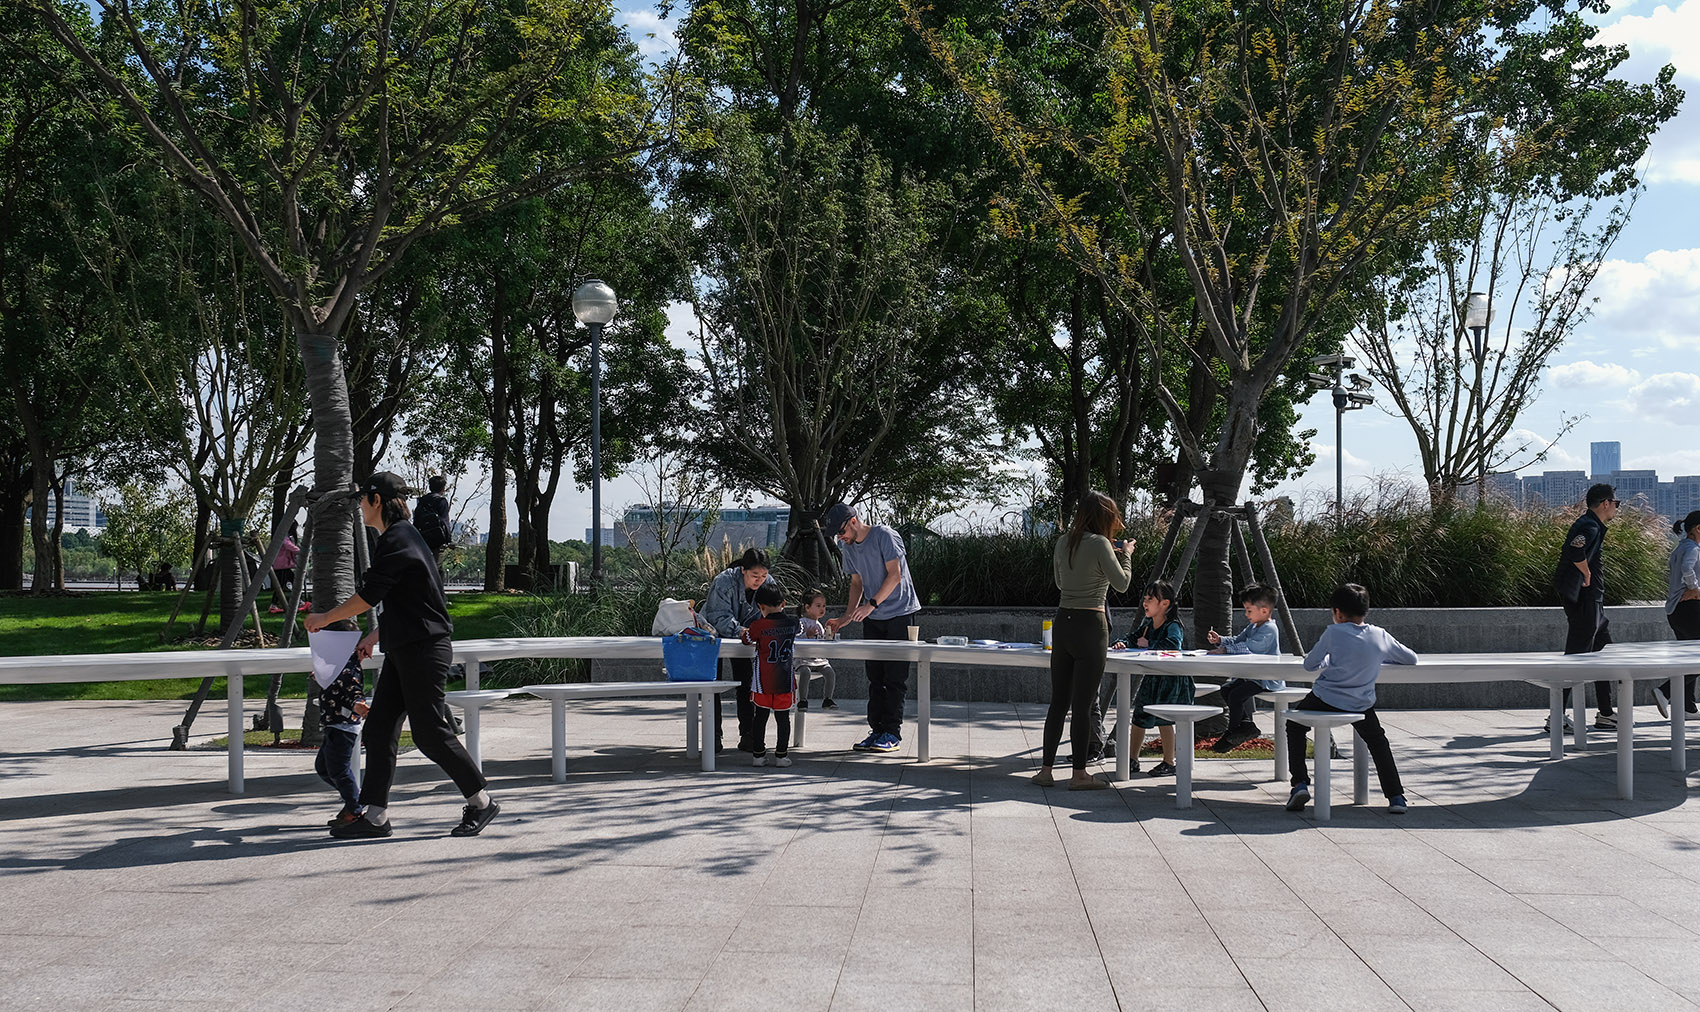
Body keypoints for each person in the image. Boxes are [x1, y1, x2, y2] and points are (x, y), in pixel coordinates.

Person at [305, 471, 498, 839]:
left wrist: (323, 618)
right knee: (378, 730)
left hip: (424, 649)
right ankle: (375, 817)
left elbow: (370, 596)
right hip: (405, 646)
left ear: (376, 501)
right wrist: (377, 635)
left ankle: (482, 802)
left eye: (363, 500)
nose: (360, 507)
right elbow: (407, 598)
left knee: (429, 732)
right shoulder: (401, 538)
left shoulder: (397, 538)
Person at [1285, 583, 1416, 815]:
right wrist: (1376, 659)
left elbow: (1309, 664)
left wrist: (1328, 661)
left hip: (1325, 699)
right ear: (1365, 610)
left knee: (1294, 726)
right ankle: (1396, 797)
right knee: (1378, 743)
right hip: (1361, 703)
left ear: (1337, 612)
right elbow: (1410, 659)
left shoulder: (1333, 633)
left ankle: (1300, 784)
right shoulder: (1379, 635)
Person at [1033, 492, 1134, 790]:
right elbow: (1122, 584)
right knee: (1083, 703)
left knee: (1058, 702)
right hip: (1091, 626)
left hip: (1063, 622)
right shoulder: (1101, 544)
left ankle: (1045, 771)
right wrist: (1125, 554)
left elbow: (1060, 583)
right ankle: (1079, 775)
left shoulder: (1064, 541)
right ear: (1104, 515)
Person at [822, 502, 922, 753]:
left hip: (900, 612)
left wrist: (871, 605)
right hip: (873, 617)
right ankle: (876, 730)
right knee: (875, 677)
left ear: (853, 521)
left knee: (895, 677)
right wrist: (846, 617)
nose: (840, 537)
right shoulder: (848, 548)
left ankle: (892, 733)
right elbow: (856, 583)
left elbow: (894, 575)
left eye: (841, 531)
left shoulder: (884, 536)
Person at [1553, 483, 1620, 731]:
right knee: (1576, 657)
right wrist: (1587, 572)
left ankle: (1605, 713)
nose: (1616, 508)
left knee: (1604, 655)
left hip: (1594, 603)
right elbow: (1575, 548)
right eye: (1616, 503)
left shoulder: (1591, 524)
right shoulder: (1589, 526)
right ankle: (1556, 717)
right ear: (1605, 503)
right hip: (1585, 601)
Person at [703, 547, 780, 752]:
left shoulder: (768, 582)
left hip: (746, 640)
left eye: (764, 575)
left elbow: (774, 612)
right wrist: (744, 632)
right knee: (712, 687)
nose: (760, 580)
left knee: (747, 683)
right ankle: (713, 737)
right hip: (713, 637)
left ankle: (748, 734)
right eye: (755, 575)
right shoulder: (723, 581)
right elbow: (719, 617)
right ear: (743, 569)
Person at [1115, 580, 1190, 777]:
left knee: (1164, 719)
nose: (1145, 603)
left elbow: (1173, 644)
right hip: (1153, 677)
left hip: (1172, 678)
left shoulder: (1173, 625)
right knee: (1140, 716)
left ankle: (1169, 761)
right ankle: (1132, 758)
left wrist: (1149, 644)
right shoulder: (1148, 624)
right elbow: (1132, 637)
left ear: (1165, 604)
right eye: (1145, 599)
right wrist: (1122, 643)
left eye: (1150, 599)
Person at [1206, 584, 1284, 753]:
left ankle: (1233, 730)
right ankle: (1246, 725)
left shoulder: (1270, 629)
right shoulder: (1253, 626)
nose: (1247, 614)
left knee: (1236, 695)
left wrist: (1225, 650)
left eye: (1249, 610)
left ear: (1264, 611)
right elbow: (1237, 640)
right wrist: (1220, 640)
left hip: (1266, 678)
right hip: (1252, 676)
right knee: (1226, 690)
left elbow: (1251, 647)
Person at [744, 583, 800, 767]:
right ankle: (782, 756)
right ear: (783, 603)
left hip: (763, 682)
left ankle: (758, 755)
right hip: (785, 681)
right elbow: (799, 631)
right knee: (783, 719)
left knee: (760, 717)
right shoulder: (793, 623)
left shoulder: (758, 625)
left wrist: (744, 632)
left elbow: (747, 639)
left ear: (760, 606)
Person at [1654, 509, 1700, 718]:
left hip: (1675, 612)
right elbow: (1687, 569)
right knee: (1697, 659)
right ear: (1698, 529)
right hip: (1690, 609)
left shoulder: (1680, 548)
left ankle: (1687, 707)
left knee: (1691, 657)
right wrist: (1695, 588)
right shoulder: (1693, 549)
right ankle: (1665, 691)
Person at [317, 652, 369, 829]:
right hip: (334, 724)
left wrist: (358, 704)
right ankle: (354, 798)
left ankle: (355, 808)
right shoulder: (336, 664)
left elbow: (353, 690)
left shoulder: (348, 667)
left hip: (343, 726)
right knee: (323, 768)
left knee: (339, 770)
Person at [796, 589, 838, 710]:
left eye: (824, 606)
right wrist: (806, 635)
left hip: (818, 658)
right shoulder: (801, 623)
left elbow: (822, 641)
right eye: (818, 606)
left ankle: (828, 699)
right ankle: (803, 700)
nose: (822, 609)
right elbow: (795, 639)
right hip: (803, 658)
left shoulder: (819, 624)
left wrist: (830, 635)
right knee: (805, 672)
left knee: (830, 672)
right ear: (808, 607)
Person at [414, 476, 453, 568]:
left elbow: (416, 520)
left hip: (422, 539)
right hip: (437, 540)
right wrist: (448, 540)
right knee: (436, 568)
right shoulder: (441, 501)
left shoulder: (422, 501)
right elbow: (444, 521)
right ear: (443, 488)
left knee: (424, 566)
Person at [268, 523, 300, 613]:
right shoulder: (284, 536)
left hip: (285, 565)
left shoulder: (285, 535)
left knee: (295, 582)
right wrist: (300, 551)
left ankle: (297, 601)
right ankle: (273, 604)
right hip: (281, 565)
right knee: (280, 586)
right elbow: (288, 545)